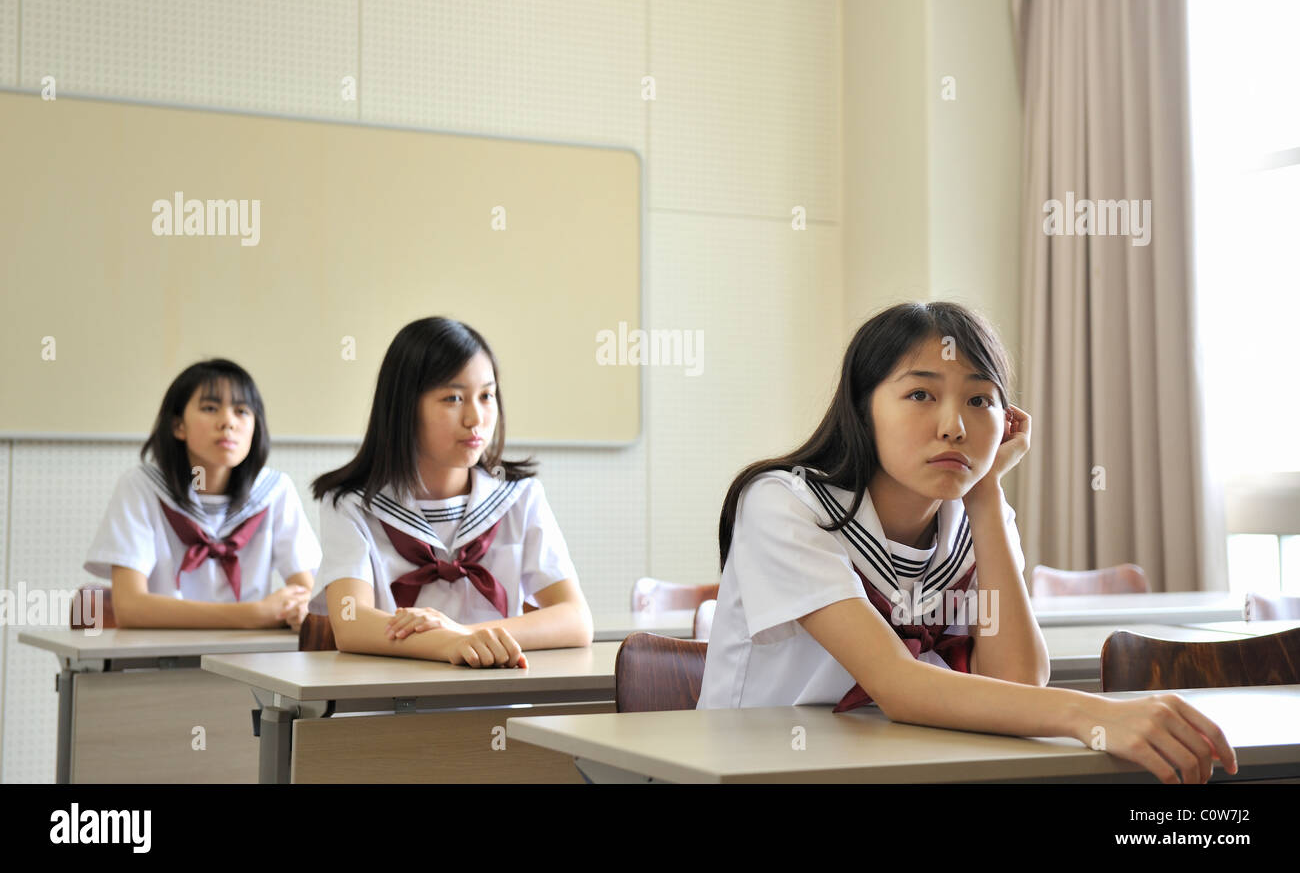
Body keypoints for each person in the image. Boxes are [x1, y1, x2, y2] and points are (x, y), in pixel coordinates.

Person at [699, 300, 1236, 784]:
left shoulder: (977, 515)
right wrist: (1089, 713)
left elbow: (1018, 680)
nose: (954, 426)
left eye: (980, 400)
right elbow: (899, 685)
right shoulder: (785, 504)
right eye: (920, 394)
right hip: (767, 772)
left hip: (906, 766)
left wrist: (984, 495)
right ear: (863, 410)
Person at [310, 316, 593, 667]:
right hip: (390, 706)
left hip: (500, 703)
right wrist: (447, 644)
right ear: (404, 406)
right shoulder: (351, 504)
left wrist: (463, 633)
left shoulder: (520, 497)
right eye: (453, 398)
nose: (475, 418)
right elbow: (351, 623)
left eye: (487, 395)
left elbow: (576, 619)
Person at [85, 359, 320, 629]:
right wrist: (252, 615)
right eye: (210, 408)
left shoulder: (275, 490)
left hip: (249, 659)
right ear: (178, 426)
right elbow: (130, 607)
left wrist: (297, 610)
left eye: (242, 411)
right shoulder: (141, 487)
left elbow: (306, 593)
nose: (228, 422)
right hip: (159, 658)